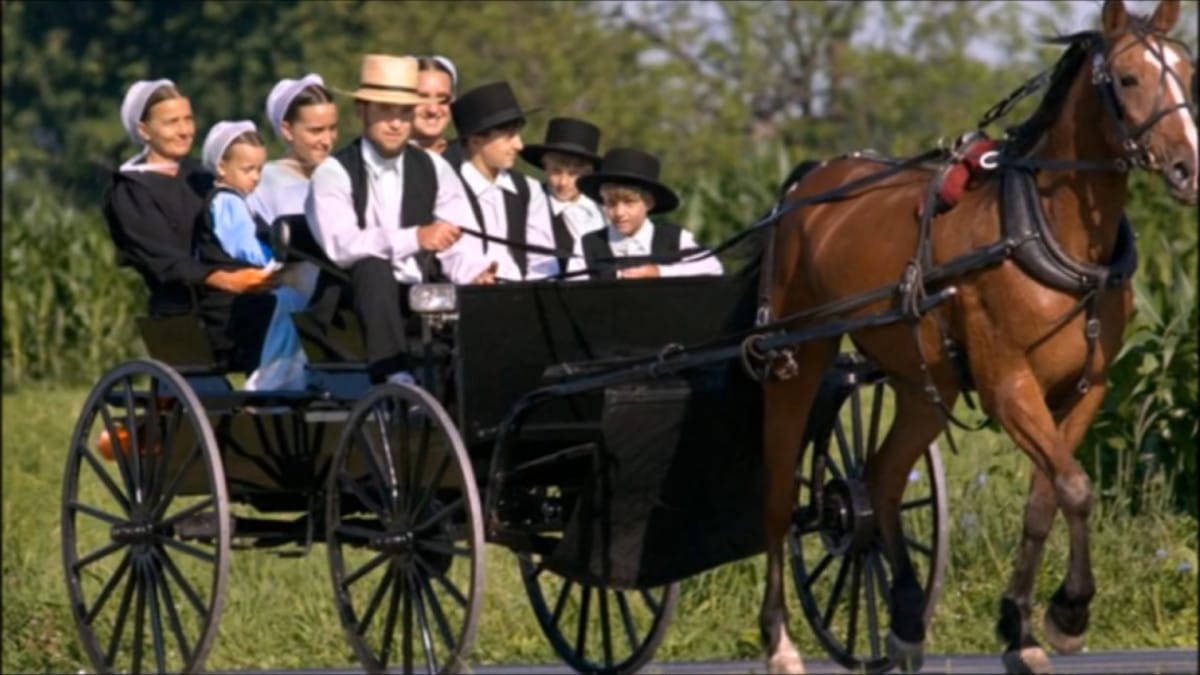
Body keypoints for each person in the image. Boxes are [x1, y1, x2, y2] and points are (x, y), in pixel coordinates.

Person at [306, 54, 496, 385]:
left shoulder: (434, 168)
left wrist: (474, 273)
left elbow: (456, 236)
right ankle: (393, 373)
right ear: (361, 110)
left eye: (405, 112)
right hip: (355, 303)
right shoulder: (333, 173)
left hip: (421, 298)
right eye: (385, 111)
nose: (396, 123)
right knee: (372, 265)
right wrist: (415, 237)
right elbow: (343, 245)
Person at [103, 79, 278, 374]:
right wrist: (228, 280)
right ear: (144, 130)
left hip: (240, 294)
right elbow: (165, 261)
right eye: (171, 122)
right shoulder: (131, 190)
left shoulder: (204, 175)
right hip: (186, 311)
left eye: (188, 119)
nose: (185, 130)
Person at [200, 120, 310, 391]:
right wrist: (277, 260)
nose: (256, 177)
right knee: (294, 300)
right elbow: (243, 245)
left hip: (246, 296)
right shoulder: (226, 201)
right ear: (222, 167)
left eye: (259, 169)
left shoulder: (241, 201)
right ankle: (272, 379)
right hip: (232, 301)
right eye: (248, 169)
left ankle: (288, 373)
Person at [449, 81, 558, 280]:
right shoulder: (449, 188)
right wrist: (475, 277)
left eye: (518, 135)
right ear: (476, 140)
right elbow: (454, 254)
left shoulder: (528, 189)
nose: (519, 145)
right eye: (509, 136)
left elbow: (543, 260)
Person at [576, 148, 723, 279]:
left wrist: (660, 272)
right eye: (611, 203)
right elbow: (572, 286)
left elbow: (714, 268)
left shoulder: (675, 239)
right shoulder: (587, 244)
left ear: (648, 203)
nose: (619, 212)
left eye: (629, 202)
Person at [519, 117, 605, 275]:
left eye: (573, 174)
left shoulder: (602, 212)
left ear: (588, 174)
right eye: (556, 171)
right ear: (545, 167)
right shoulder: (532, 206)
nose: (563, 182)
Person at [411, 55, 457, 157]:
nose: (433, 109)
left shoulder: (468, 157)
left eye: (442, 99)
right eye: (423, 98)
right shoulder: (387, 160)